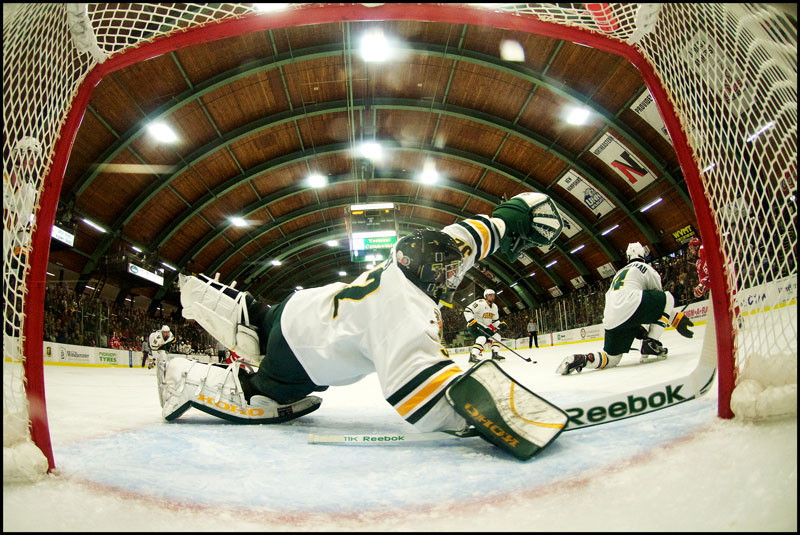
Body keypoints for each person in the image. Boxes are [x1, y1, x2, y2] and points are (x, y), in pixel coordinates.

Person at [157, 192, 570, 460]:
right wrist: (480, 418)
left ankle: (241, 311)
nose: (455, 275)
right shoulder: (407, 314)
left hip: (297, 307)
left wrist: (511, 220)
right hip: (303, 359)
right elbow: (418, 398)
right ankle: (185, 378)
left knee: (267, 320)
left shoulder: (410, 256)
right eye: (449, 273)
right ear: (434, 274)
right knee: (267, 397)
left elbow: (471, 237)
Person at [556, 242, 695, 375]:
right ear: (644, 255)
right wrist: (676, 319)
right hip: (632, 305)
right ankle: (651, 342)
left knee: (611, 359)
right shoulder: (647, 269)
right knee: (668, 297)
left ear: (628, 257)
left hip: (611, 317)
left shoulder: (619, 273)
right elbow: (660, 304)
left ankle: (581, 360)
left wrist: (637, 325)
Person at [464, 288, 506, 364]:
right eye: (490, 295)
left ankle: (495, 354)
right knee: (482, 338)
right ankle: (473, 356)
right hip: (475, 324)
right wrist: (471, 321)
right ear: (485, 296)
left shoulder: (495, 307)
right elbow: (467, 310)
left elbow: (494, 320)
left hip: (485, 326)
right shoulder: (480, 303)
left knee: (497, 337)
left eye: (493, 296)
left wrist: (500, 325)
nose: (492, 297)